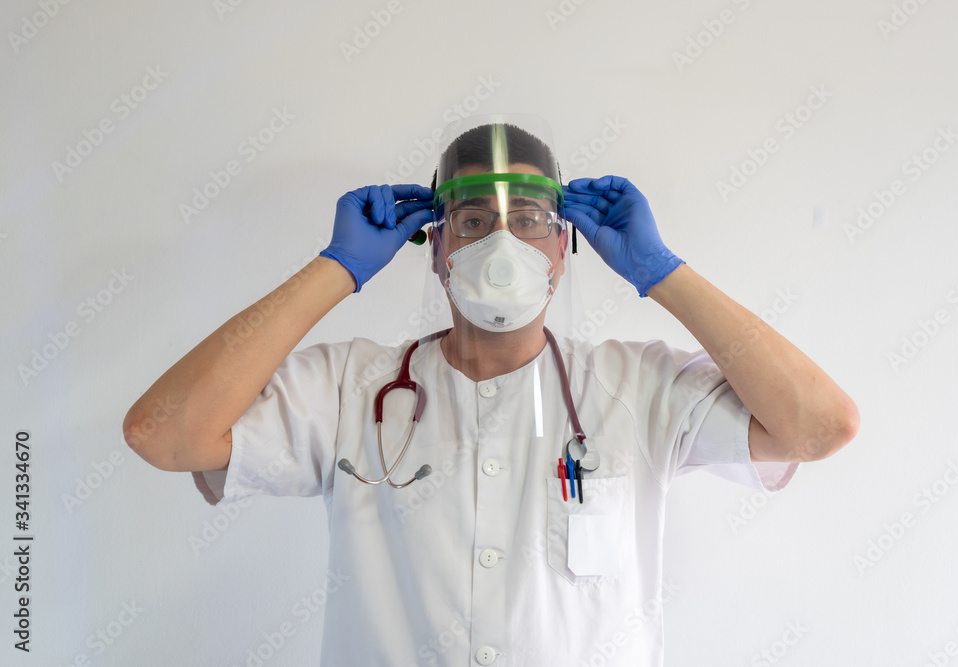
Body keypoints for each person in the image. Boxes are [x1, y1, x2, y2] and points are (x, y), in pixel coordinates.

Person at [124, 116, 859, 665]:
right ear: (436, 248)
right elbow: (163, 432)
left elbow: (820, 425)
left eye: (529, 220)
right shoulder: (352, 387)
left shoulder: (639, 385)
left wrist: (661, 271)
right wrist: (337, 268)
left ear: (566, 249)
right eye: (472, 220)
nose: (500, 245)